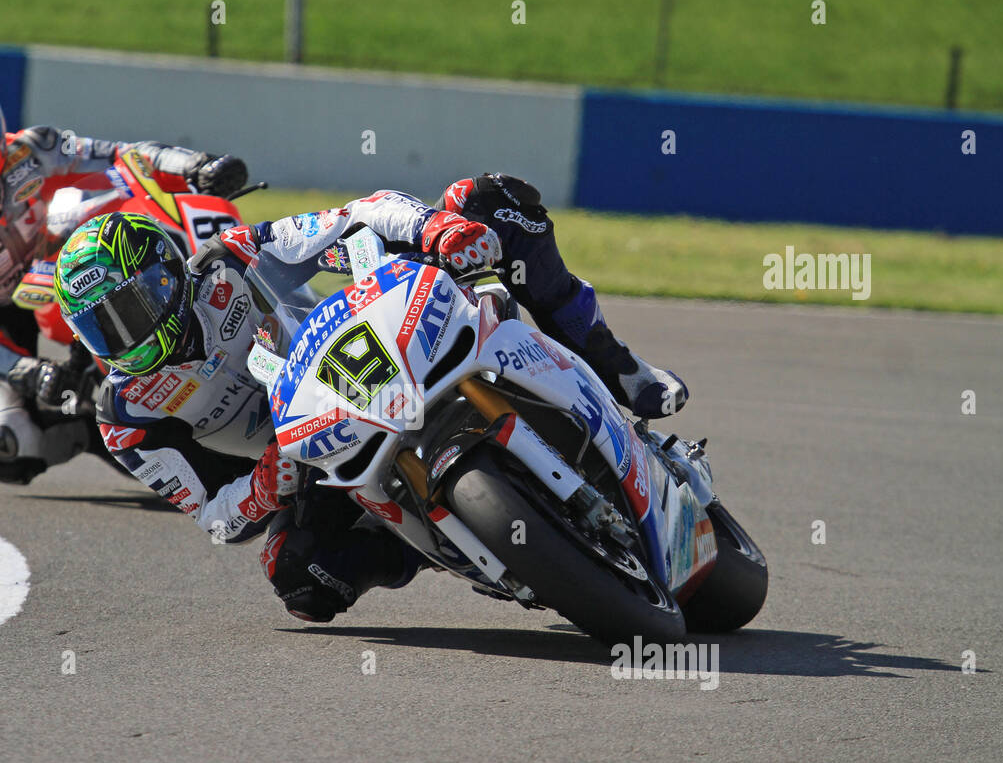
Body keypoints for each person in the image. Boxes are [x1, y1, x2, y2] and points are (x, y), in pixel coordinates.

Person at [53, 176, 686, 622]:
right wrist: (262, 490)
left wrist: (436, 228)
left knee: (488, 199)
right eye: (101, 329)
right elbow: (214, 519)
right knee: (297, 579)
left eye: (129, 311)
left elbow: (360, 215)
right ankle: (440, 543)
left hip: (373, 341)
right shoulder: (125, 416)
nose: (123, 338)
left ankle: (616, 366)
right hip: (308, 453)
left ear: (165, 275)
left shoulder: (230, 260)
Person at [0, 68, 248, 484]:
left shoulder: (32, 151)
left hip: (76, 266)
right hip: (8, 317)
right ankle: (97, 429)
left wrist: (197, 166)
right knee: (9, 444)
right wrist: (32, 372)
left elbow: (123, 156)